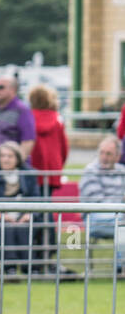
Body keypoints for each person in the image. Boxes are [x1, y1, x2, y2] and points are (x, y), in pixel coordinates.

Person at [0, 142, 38, 274]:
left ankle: (29, 267)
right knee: (7, 228)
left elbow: (37, 198)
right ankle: (9, 266)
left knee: (23, 228)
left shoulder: (28, 174)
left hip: (23, 215)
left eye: (10, 156)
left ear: (17, 158)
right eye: (3, 156)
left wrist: (29, 214)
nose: (6, 159)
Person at [27, 84, 68, 272]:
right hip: (50, 170)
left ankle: (33, 253)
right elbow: (64, 147)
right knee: (47, 212)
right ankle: (46, 252)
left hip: (32, 171)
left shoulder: (28, 118)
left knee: (32, 211)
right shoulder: (57, 119)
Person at [77, 135, 125, 273]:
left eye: (109, 154)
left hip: (118, 217)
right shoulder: (90, 171)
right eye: (102, 153)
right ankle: (120, 268)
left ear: (117, 156)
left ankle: (120, 267)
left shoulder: (122, 171)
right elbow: (96, 202)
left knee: (122, 226)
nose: (104, 157)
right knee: (123, 227)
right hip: (95, 219)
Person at [0, 77, 35, 168]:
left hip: (10, 171)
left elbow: (28, 142)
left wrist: (15, 164)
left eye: (1, 87)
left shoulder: (22, 110)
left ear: (13, 90)